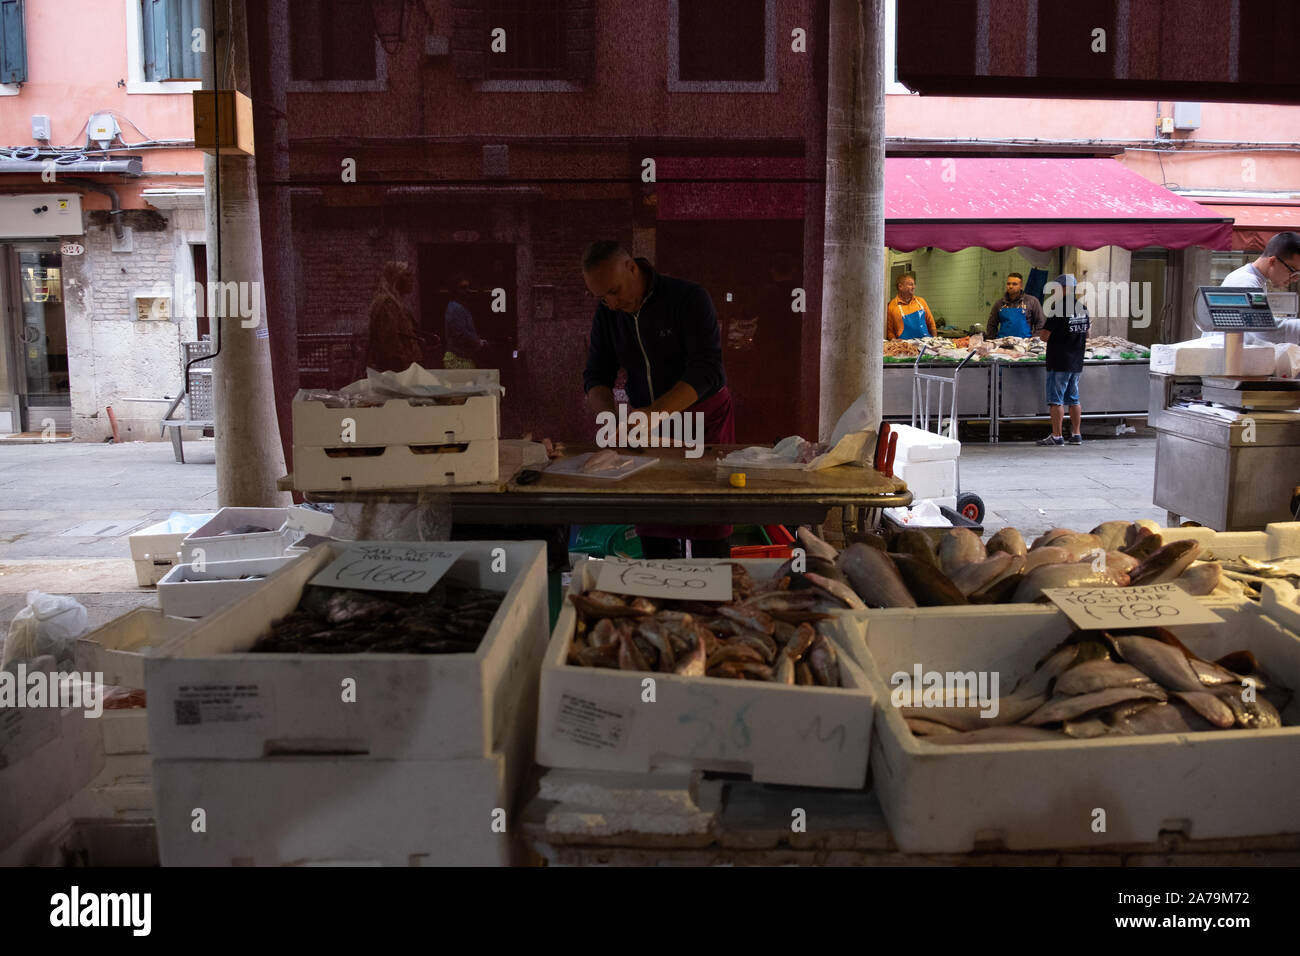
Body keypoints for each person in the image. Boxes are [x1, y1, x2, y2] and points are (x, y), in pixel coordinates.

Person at [581, 241, 733, 559]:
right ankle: (658, 599)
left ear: (632, 267)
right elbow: (597, 374)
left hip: (701, 420)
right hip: (646, 427)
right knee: (653, 517)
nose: (610, 302)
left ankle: (713, 598)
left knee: (707, 519)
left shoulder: (688, 298)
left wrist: (652, 415)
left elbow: (707, 371)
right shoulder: (608, 313)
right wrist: (609, 420)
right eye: (601, 297)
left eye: (614, 291)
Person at [1035, 274, 1090, 447]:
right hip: (1076, 361)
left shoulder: (1058, 307)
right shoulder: (1083, 307)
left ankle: (1057, 436)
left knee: (1056, 400)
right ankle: (1076, 434)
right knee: (1074, 399)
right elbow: (1088, 334)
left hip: (1059, 360)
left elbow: (1044, 336)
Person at [1219, 231, 1300, 345]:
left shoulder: (1254, 280)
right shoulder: (1246, 283)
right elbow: (1262, 330)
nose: (1295, 278)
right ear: (1272, 261)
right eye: (1293, 271)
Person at [364, 261, 423, 374]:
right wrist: (405, 370)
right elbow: (391, 344)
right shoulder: (387, 304)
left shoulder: (395, 303)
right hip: (395, 371)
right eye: (407, 275)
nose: (412, 280)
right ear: (396, 278)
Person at [444, 278, 488, 369]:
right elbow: (461, 335)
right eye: (463, 288)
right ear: (455, 290)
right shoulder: (456, 308)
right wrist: (478, 342)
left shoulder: (460, 308)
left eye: (468, 287)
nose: (467, 291)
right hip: (458, 358)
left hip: (461, 357)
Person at [987, 272, 1046, 339]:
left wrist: (1033, 341)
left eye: (1014, 284)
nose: (1011, 286)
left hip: (1024, 345)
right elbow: (991, 325)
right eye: (1008, 284)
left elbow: (1040, 324)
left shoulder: (1032, 301)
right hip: (1002, 345)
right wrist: (992, 341)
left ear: (1021, 286)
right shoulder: (999, 303)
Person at [886, 273, 937, 340]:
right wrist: (895, 342)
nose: (914, 287)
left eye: (914, 284)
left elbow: (931, 324)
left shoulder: (921, 301)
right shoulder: (891, 306)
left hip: (925, 345)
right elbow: (890, 332)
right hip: (905, 347)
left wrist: (935, 340)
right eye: (910, 284)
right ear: (900, 286)